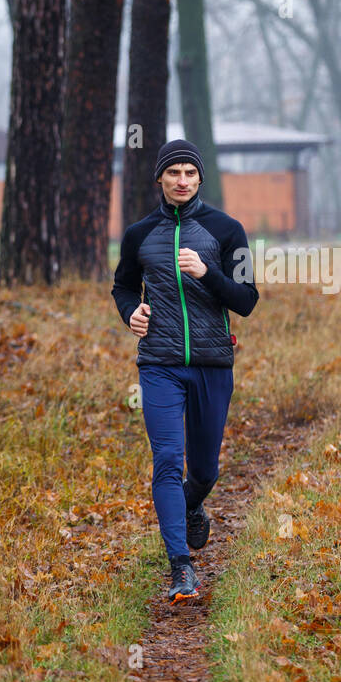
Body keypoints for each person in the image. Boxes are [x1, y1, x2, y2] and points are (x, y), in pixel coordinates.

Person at [111, 139, 259, 604]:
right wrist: (130, 312)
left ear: (199, 179)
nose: (181, 181)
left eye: (189, 173)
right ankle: (181, 568)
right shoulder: (139, 234)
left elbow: (247, 300)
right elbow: (121, 286)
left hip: (213, 365)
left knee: (205, 468)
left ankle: (193, 505)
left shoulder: (227, 230)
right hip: (159, 364)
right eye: (172, 172)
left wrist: (206, 274)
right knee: (167, 462)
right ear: (159, 178)